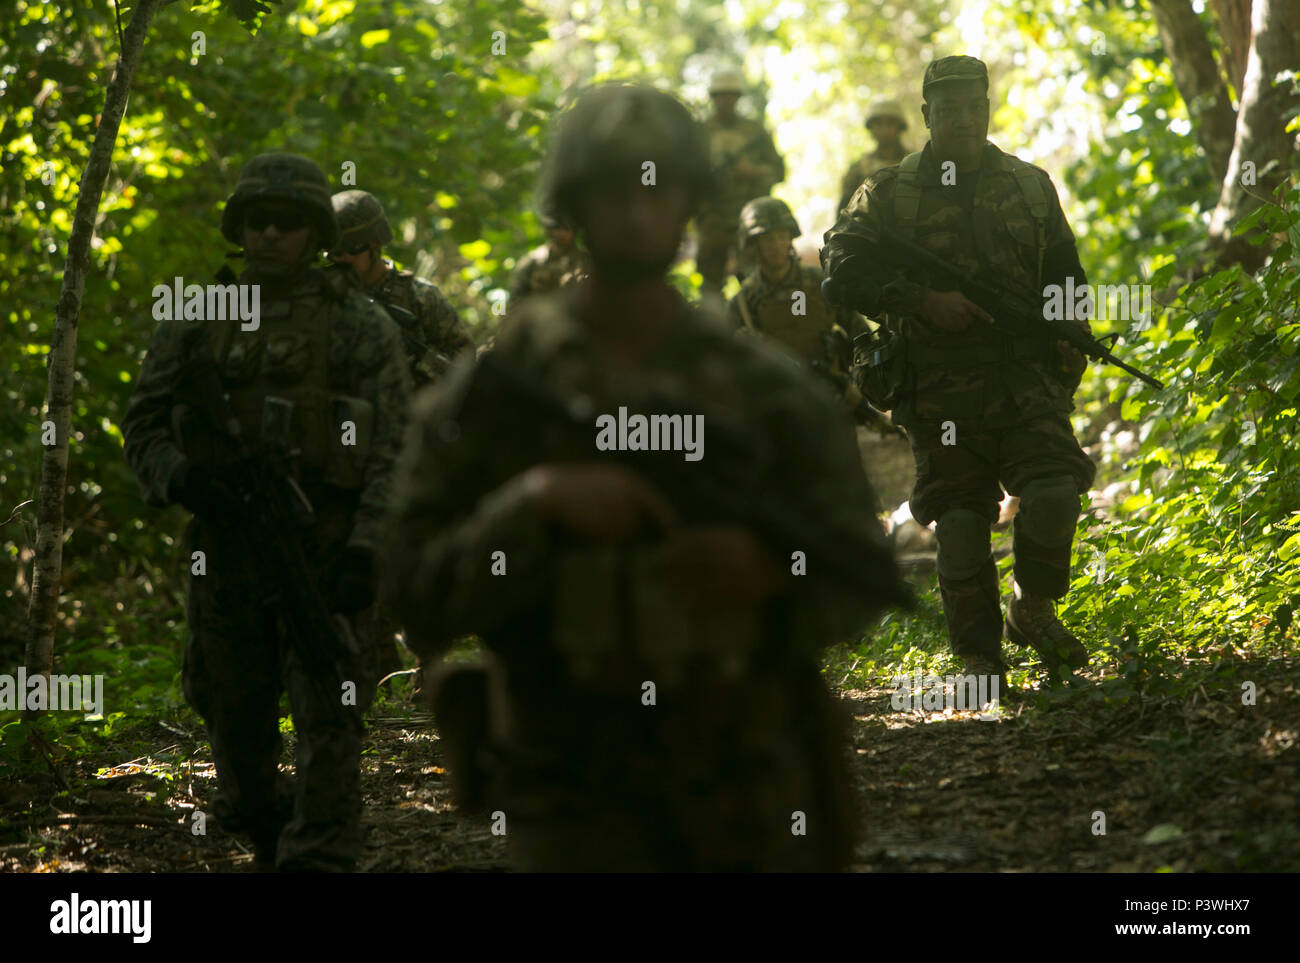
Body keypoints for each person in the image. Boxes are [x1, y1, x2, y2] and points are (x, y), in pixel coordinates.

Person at [387, 84, 905, 871]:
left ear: (694, 205)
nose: (637, 214)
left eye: (658, 190)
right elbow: (409, 588)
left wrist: (768, 574)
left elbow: (858, 576)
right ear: (574, 209)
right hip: (568, 794)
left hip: (745, 785)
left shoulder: (763, 388)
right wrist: (534, 506)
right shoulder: (499, 392)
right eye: (613, 191)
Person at [122, 153, 411, 871]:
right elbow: (144, 423)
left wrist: (367, 549)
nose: (271, 235)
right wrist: (185, 477)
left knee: (331, 718)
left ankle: (319, 854)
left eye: (288, 223)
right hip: (225, 555)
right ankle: (268, 829)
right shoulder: (201, 315)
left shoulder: (359, 323)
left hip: (326, 548)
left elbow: (397, 448)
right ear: (239, 227)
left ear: (315, 232)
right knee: (233, 720)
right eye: (259, 221)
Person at [822, 55, 1096, 688]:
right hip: (938, 385)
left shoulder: (1030, 186)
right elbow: (841, 271)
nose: (965, 120)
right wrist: (921, 301)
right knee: (964, 522)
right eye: (950, 110)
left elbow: (1065, 275)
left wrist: (1072, 337)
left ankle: (1031, 607)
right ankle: (978, 656)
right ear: (927, 117)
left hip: (1024, 375)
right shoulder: (890, 193)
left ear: (988, 109)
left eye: (975, 106)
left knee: (1055, 489)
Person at [727, 196, 893, 449]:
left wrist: (865, 383)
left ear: (791, 239)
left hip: (831, 399)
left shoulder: (818, 284)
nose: (776, 245)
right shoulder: (742, 304)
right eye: (767, 240)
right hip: (777, 412)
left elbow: (859, 333)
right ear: (754, 246)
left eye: (782, 237)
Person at [328, 189, 473, 388]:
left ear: (376, 245)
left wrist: (417, 366)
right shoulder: (324, 297)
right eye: (335, 252)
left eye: (351, 249)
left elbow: (464, 364)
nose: (342, 259)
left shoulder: (421, 297)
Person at [694, 67, 785, 300]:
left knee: (755, 281)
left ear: (738, 98)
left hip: (750, 219)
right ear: (713, 98)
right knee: (711, 285)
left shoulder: (755, 133)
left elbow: (779, 172)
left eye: (730, 95)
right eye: (720, 95)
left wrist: (753, 172)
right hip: (712, 218)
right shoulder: (699, 133)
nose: (725, 100)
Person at [838, 99, 909, 214]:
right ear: (871, 128)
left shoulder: (915, 163)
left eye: (890, 123)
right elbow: (844, 212)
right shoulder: (859, 169)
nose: (884, 129)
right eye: (879, 124)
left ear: (899, 127)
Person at [507, 212, 589, 308]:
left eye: (567, 228)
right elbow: (514, 302)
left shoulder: (586, 261)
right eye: (557, 228)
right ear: (549, 230)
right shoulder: (532, 262)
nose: (563, 233)